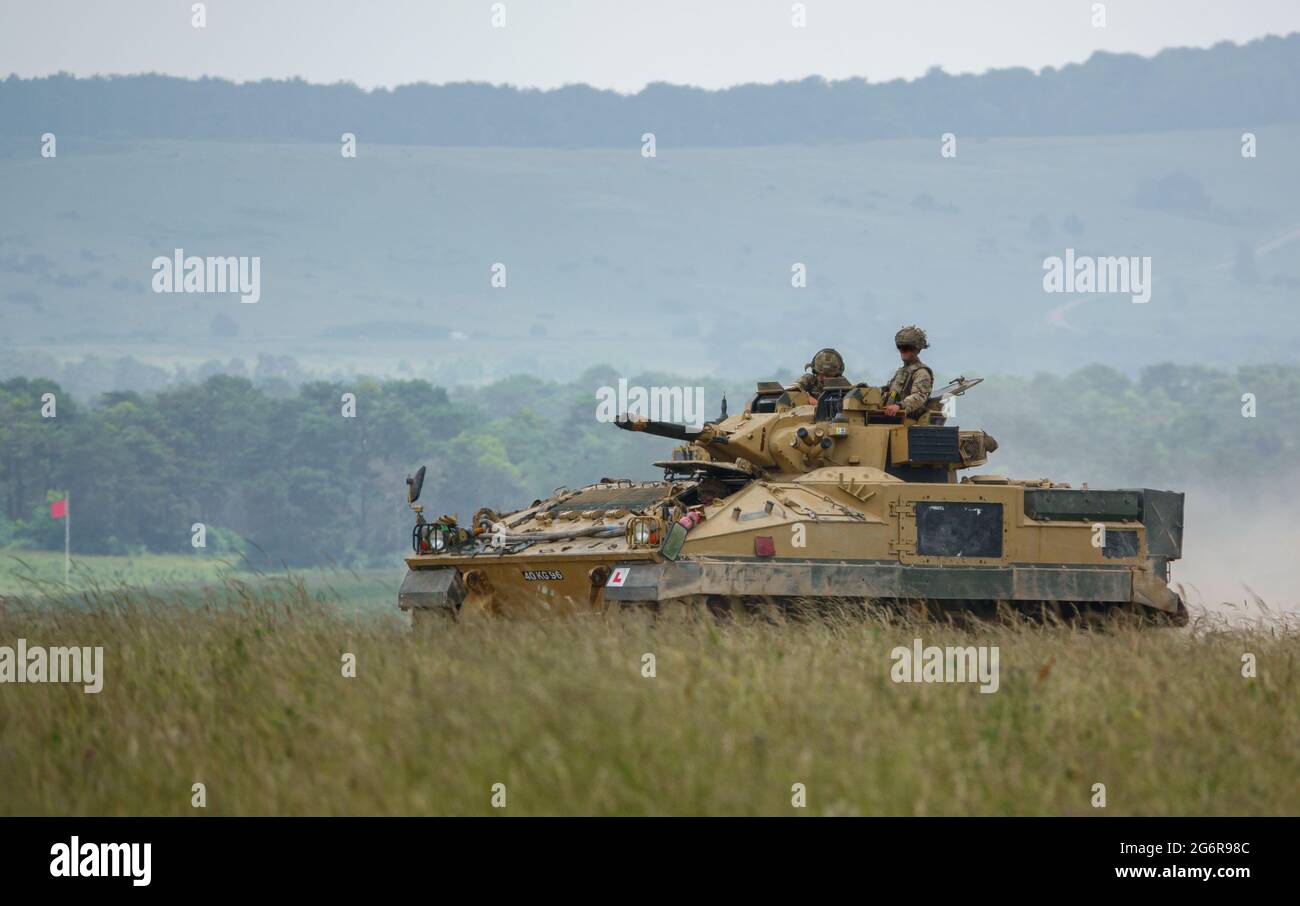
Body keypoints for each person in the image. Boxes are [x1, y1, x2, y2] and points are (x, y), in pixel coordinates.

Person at [881, 326, 933, 417]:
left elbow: (919, 396)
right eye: (901, 348)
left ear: (917, 350)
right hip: (891, 417)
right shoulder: (901, 371)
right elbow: (891, 391)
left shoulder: (921, 373)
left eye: (908, 348)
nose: (903, 351)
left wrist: (899, 406)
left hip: (906, 421)